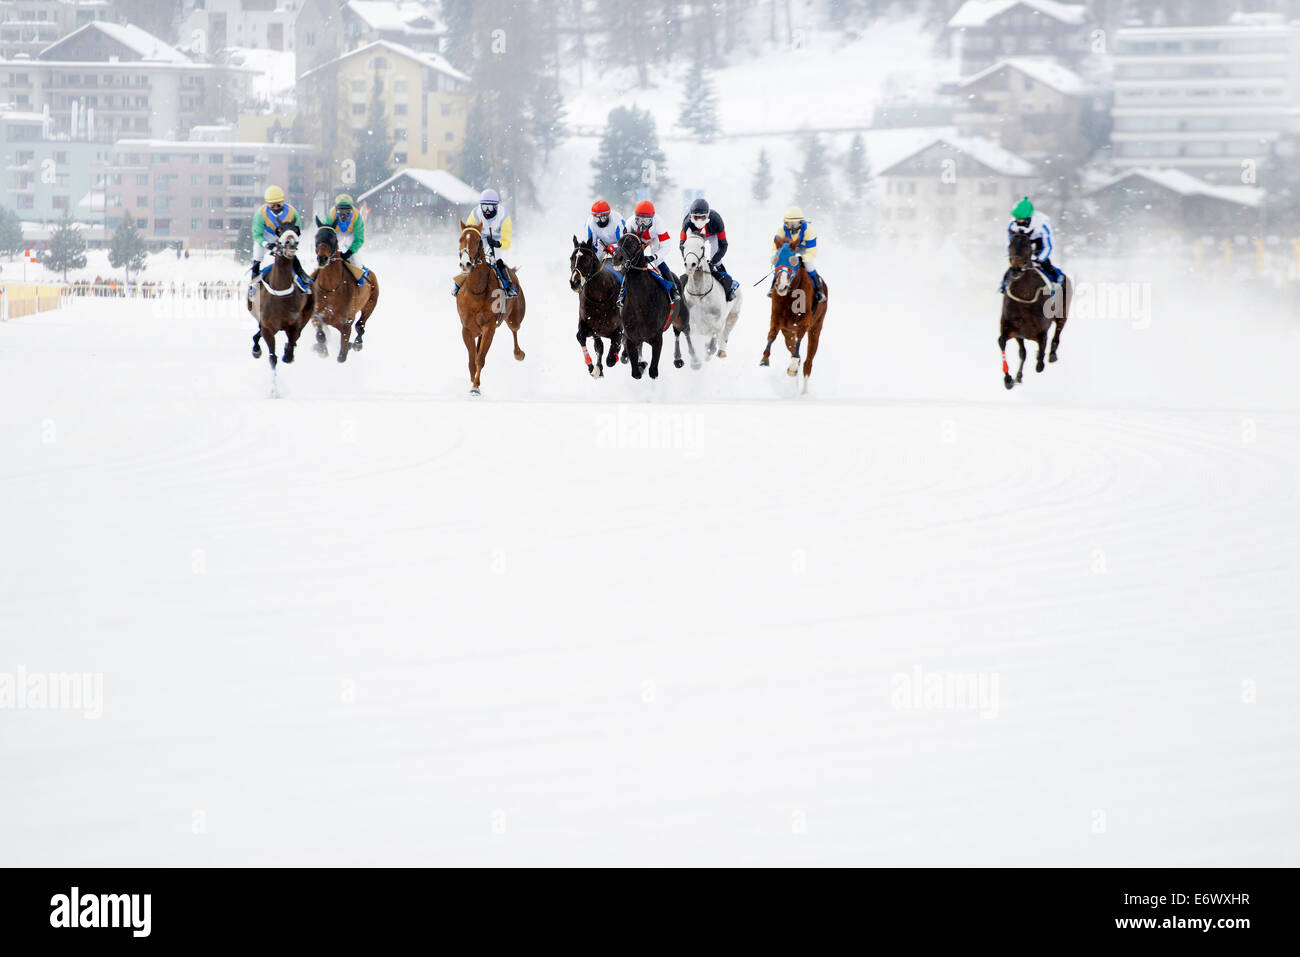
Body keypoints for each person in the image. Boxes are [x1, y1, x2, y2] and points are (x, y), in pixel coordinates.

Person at [455, 188, 517, 298]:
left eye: (490, 207)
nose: (487, 211)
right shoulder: (476, 213)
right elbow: (469, 231)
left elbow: (507, 242)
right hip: (480, 238)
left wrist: (497, 243)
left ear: (496, 207)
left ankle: (509, 287)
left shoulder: (504, 217)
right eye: (484, 207)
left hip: (497, 240)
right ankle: (458, 285)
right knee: (470, 259)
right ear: (480, 207)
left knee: (498, 261)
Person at [250, 185, 311, 294]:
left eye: (279, 204)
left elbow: (297, 230)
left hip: (283, 236)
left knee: (290, 254)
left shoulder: (292, 212)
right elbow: (257, 235)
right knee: (257, 255)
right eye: (272, 205)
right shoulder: (261, 214)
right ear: (267, 204)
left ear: (283, 201)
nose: (276, 208)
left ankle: (302, 277)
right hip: (266, 235)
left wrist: (290, 242)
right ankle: (253, 283)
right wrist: (267, 244)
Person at [619, 199, 680, 306]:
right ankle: (622, 294)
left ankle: (673, 290)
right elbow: (624, 243)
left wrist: (653, 257)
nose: (642, 224)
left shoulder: (659, 223)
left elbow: (666, 246)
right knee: (628, 263)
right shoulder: (630, 223)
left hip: (654, 239)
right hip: (637, 239)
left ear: (652, 219)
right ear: (635, 217)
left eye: (646, 221)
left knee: (659, 262)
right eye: (639, 220)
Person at [679, 197, 738, 301]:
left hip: (712, 235)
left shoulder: (716, 219)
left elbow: (723, 245)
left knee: (717, 260)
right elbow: (682, 245)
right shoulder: (687, 222)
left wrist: (713, 262)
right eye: (696, 217)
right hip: (694, 236)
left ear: (708, 215)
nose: (699, 220)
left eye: (702, 217)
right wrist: (688, 260)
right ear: (691, 216)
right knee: (692, 256)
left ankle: (728, 288)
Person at [1002, 196, 1063, 293]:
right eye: (1017, 219)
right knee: (1009, 273)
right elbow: (1010, 245)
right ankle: (1004, 287)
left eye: (1021, 219)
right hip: (1020, 250)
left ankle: (1055, 288)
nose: (1018, 221)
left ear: (1028, 217)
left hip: (1038, 247)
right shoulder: (1012, 225)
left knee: (1051, 272)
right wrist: (1013, 258)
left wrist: (1038, 259)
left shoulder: (1042, 224)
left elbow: (1049, 246)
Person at [772, 206, 825, 303]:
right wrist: (776, 256)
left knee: (809, 267)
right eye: (789, 223)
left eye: (794, 223)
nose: (791, 226)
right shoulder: (782, 229)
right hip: (790, 253)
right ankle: (772, 288)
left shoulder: (808, 230)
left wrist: (802, 258)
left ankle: (819, 290)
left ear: (800, 222)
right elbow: (776, 247)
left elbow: (812, 251)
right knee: (780, 267)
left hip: (805, 251)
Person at [319, 193, 370, 286]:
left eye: (347, 211)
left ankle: (360, 272)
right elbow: (325, 234)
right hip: (335, 232)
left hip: (351, 234)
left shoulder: (357, 216)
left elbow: (359, 239)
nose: (343, 215)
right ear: (336, 209)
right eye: (340, 211)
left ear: (352, 209)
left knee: (355, 256)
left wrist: (349, 252)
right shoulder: (331, 215)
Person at [585, 200, 625, 264]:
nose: (599, 222)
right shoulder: (590, 224)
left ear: (608, 215)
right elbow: (591, 243)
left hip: (617, 243)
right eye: (597, 219)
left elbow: (623, 243)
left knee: (621, 257)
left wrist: (614, 248)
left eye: (603, 218)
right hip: (602, 244)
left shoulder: (618, 221)